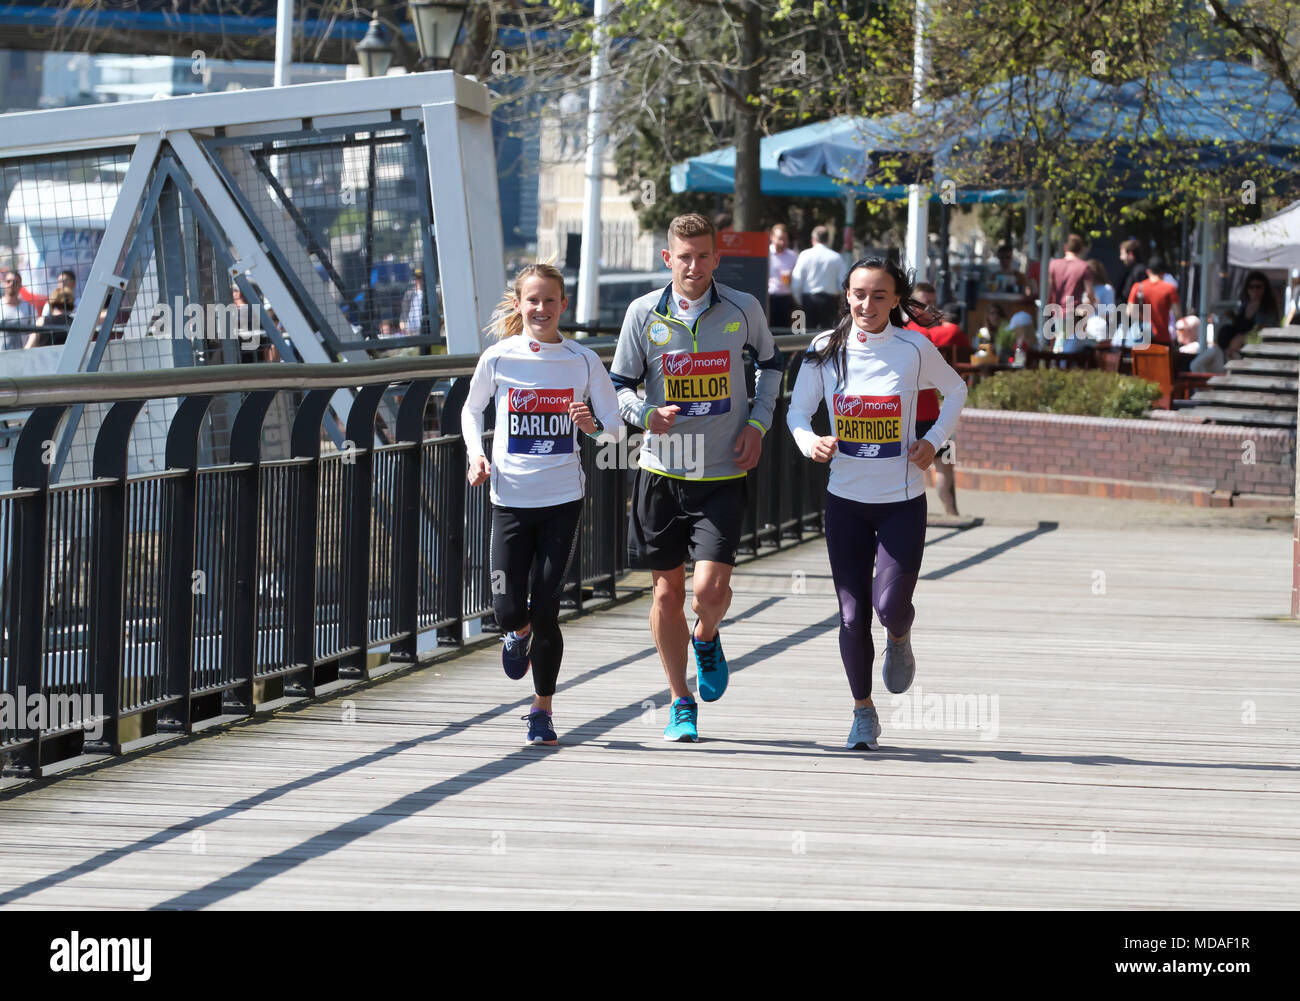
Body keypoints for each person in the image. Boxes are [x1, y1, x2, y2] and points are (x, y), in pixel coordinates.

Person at [609, 212, 783, 742]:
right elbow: (618, 386)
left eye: (703, 256)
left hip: (722, 471)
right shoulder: (643, 313)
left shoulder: (743, 308)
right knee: (666, 595)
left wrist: (758, 423)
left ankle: (707, 636)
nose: (694, 265)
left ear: (716, 257)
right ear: (668, 259)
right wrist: (644, 415)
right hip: (662, 472)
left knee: (710, 589)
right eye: (684, 257)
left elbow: (771, 366)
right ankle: (680, 700)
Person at [787, 257, 968, 750]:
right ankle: (862, 714)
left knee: (889, 607)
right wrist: (810, 442)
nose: (867, 305)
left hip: (900, 502)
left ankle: (901, 636)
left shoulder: (913, 347)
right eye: (859, 294)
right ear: (846, 294)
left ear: (895, 300)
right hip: (845, 500)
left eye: (880, 296)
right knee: (851, 614)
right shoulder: (825, 349)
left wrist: (932, 442)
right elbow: (798, 411)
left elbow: (956, 390)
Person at [461, 262, 623, 746]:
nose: (541, 308)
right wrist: (477, 455)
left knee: (549, 605)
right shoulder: (498, 357)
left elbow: (614, 426)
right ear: (518, 304)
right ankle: (517, 630)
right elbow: (471, 410)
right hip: (509, 496)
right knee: (507, 607)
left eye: (550, 300)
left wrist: (591, 425)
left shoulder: (582, 360)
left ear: (563, 306)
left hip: (561, 499)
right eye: (532, 300)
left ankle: (541, 710)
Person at [904, 282, 964, 517]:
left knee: (912, 470)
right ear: (911, 305)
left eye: (931, 303)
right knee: (943, 466)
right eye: (924, 304)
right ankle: (952, 514)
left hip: (910, 413)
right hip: (929, 414)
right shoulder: (927, 333)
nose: (929, 308)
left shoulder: (899, 332)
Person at [791, 225, 847, 330]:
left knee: (805, 334)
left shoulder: (804, 255)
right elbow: (842, 283)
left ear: (813, 239)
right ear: (828, 239)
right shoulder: (836, 257)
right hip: (829, 301)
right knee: (828, 334)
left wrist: (799, 301)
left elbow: (796, 281)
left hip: (808, 299)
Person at [1127, 255, 1180, 346]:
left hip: (1142, 338)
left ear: (1148, 272)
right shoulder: (1170, 289)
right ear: (1163, 273)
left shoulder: (1137, 287)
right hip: (1163, 339)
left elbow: (1129, 312)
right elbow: (1177, 314)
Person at [1048, 233, 1094, 312]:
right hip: (1075, 314)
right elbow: (1089, 293)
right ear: (1080, 249)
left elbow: (1048, 289)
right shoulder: (1084, 267)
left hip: (1056, 312)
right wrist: (1092, 301)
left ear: (1065, 247)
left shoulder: (1053, 264)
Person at [767, 223, 798, 329]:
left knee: (787, 330)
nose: (783, 242)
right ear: (772, 237)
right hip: (770, 298)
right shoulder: (767, 254)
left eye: (785, 239)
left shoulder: (792, 256)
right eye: (780, 239)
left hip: (787, 298)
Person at [0, 270, 36, 350]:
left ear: (20, 285)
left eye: (15, 282)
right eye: (8, 281)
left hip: (22, 356)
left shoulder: (29, 307)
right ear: (4, 283)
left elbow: (35, 333)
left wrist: (27, 350)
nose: (12, 284)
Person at [1116, 238, 1148, 307]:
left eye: (1122, 254)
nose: (1121, 257)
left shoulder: (1140, 271)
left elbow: (1142, 299)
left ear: (1130, 254)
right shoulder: (1129, 271)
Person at [400, 268, 427, 336]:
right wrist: (402, 321)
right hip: (410, 327)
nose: (418, 280)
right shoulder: (409, 293)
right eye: (416, 278)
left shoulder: (428, 293)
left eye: (420, 278)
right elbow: (404, 310)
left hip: (424, 326)